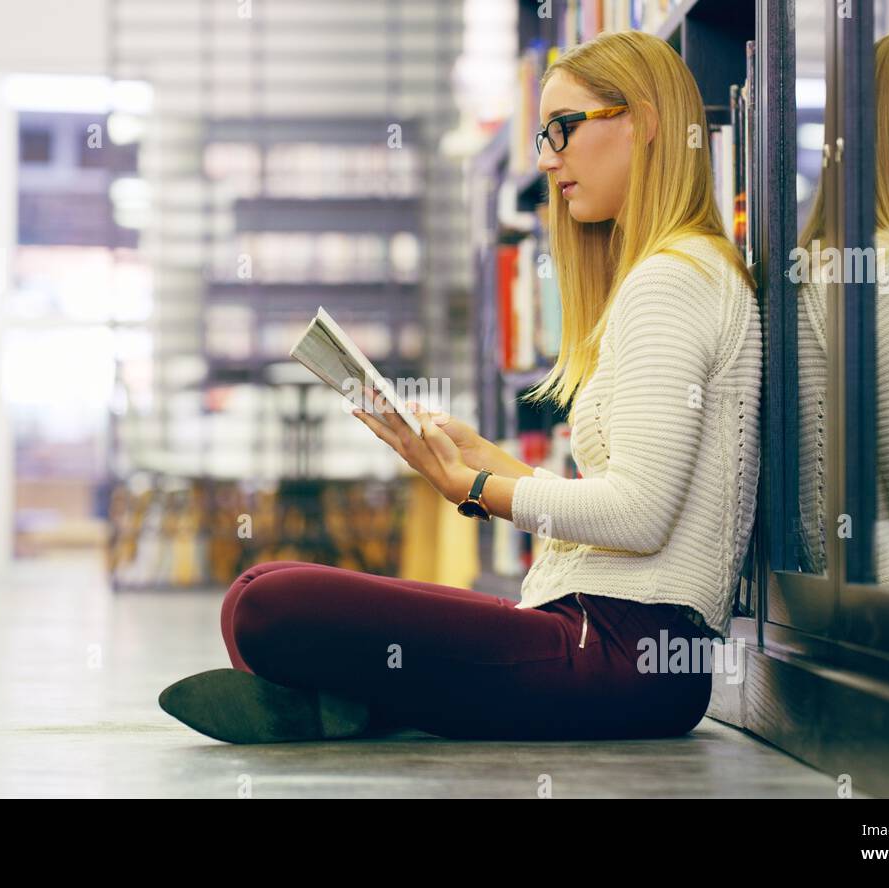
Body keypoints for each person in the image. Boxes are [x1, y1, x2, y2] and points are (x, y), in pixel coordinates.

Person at [159, 29, 762, 743]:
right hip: (598, 635)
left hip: (622, 653)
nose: (546, 158)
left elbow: (638, 516)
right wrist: (484, 460)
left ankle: (365, 701)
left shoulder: (673, 280)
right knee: (255, 592)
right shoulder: (669, 275)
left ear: (648, 122)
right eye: (542, 135)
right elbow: (625, 501)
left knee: (269, 608)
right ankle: (359, 706)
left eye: (564, 130)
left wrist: (473, 490)